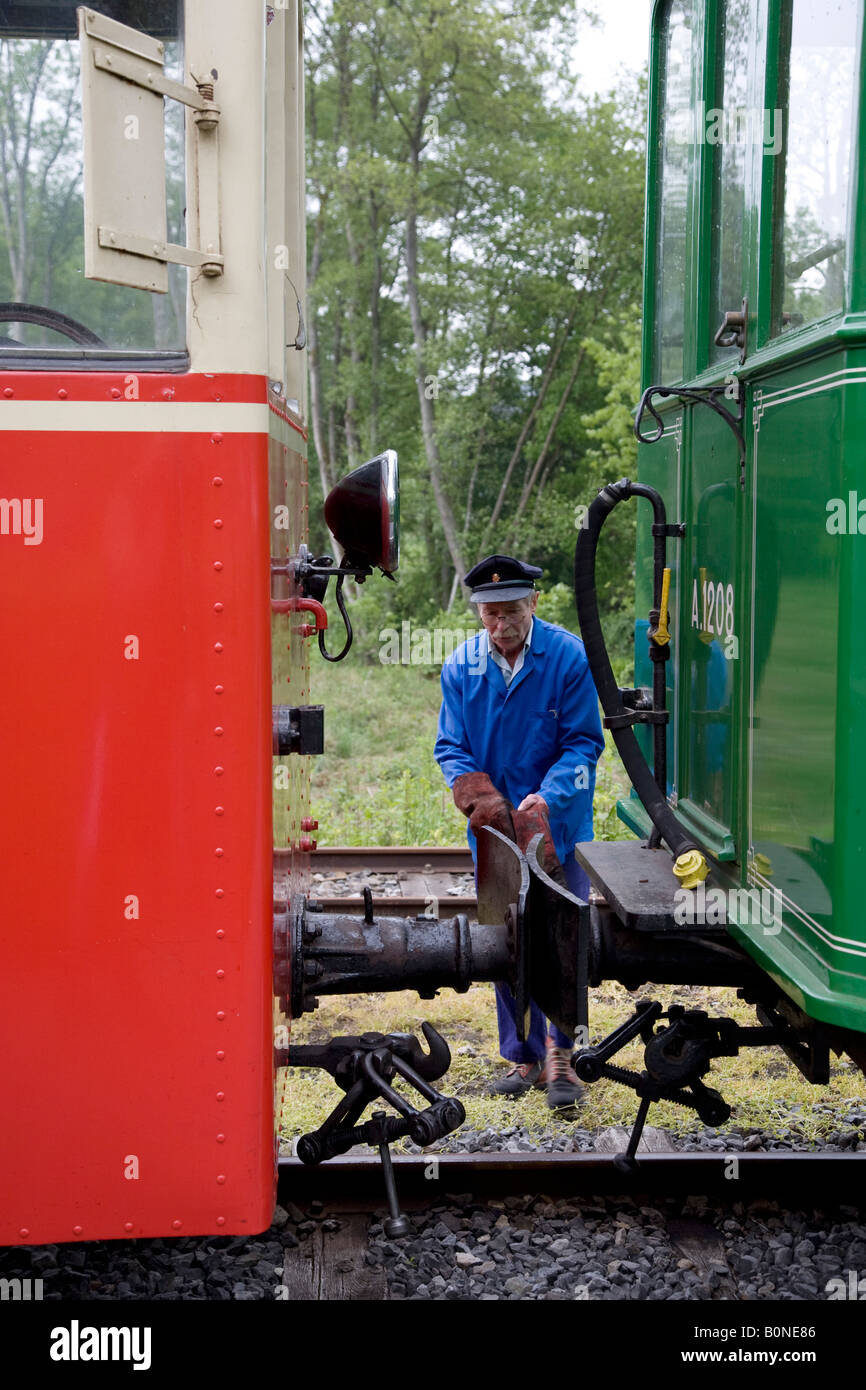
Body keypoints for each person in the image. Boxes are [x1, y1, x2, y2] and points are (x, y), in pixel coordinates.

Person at [434, 554, 604, 1107]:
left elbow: (584, 743)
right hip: (496, 829)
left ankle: (565, 1058)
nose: (499, 625)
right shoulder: (462, 667)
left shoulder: (567, 657)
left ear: (533, 603)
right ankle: (526, 1058)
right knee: (505, 939)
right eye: (488, 614)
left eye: (509, 611)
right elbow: (451, 748)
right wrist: (481, 797)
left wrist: (549, 797)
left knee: (564, 937)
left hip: (558, 825)